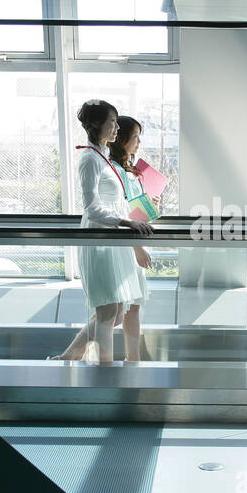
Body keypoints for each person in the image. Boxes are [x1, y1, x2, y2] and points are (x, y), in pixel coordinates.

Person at [50, 100, 152, 363]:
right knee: (108, 313)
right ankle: (104, 371)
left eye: (117, 122)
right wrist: (127, 223)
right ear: (96, 124)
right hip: (100, 240)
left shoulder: (103, 157)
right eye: (112, 121)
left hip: (112, 241)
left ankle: (71, 356)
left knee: (116, 312)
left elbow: (116, 202)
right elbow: (92, 208)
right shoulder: (89, 159)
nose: (117, 127)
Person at [107, 115, 163, 361]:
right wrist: (137, 247)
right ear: (122, 139)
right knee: (115, 310)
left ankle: (133, 358)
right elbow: (122, 213)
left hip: (132, 240)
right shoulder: (116, 171)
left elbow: (135, 210)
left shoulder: (131, 170)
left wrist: (150, 204)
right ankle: (74, 354)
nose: (139, 141)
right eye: (135, 136)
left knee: (132, 306)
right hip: (125, 246)